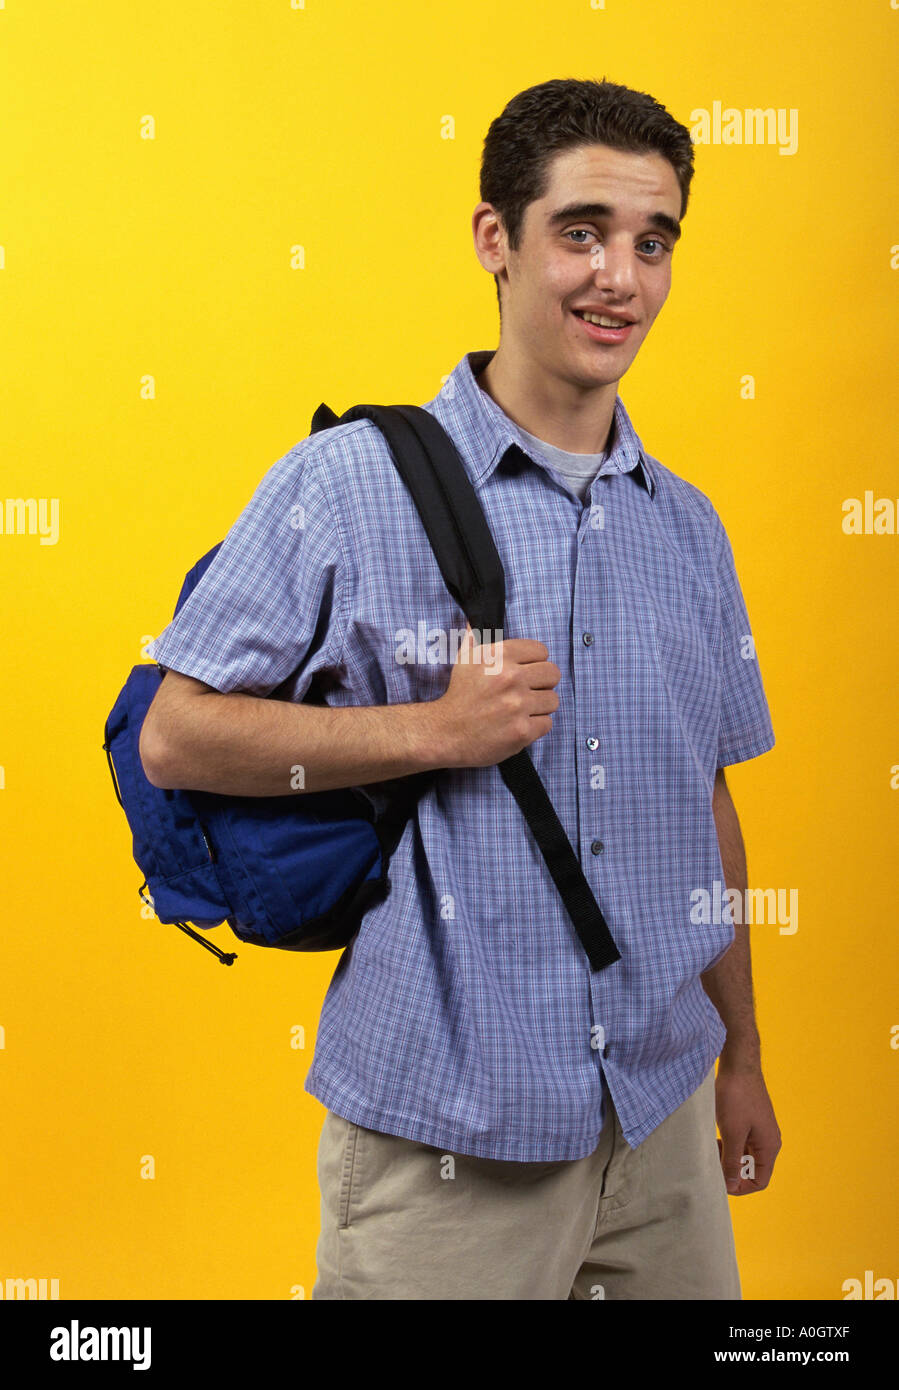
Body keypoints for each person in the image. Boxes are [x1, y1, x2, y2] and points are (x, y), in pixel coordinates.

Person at [141, 76, 781, 1301]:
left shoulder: (688, 529)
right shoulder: (345, 483)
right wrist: (433, 729)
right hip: (448, 1125)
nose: (621, 279)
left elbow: (702, 806)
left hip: (660, 1121)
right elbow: (176, 736)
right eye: (580, 232)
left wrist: (741, 1056)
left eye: (653, 243)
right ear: (496, 238)